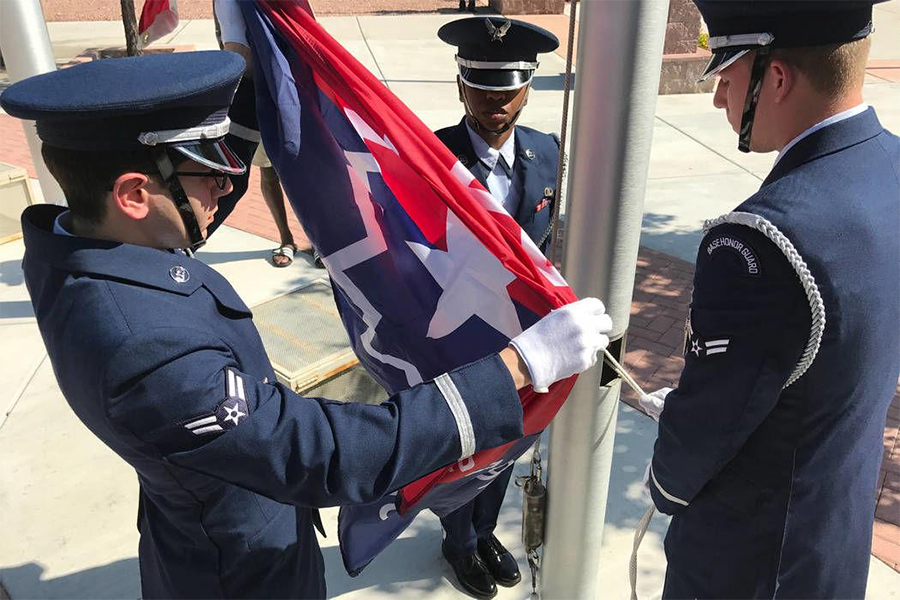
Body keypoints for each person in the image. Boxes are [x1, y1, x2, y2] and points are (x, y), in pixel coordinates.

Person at [0, 51, 615, 599]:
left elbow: (181, 208)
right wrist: (517, 368)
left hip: (220, 520)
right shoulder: (145, 350)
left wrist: (261, 58)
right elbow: (325, 455)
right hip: (243, 573)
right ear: (134, 195)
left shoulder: (85, 244)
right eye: (206, 172)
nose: (225, 184)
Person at [640, 1, 899, 598]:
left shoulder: (758, 240)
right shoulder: (892, 166)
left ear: (776, 78)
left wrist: (664, 479)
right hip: (832, 541)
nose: (718, 99)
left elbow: (702, 434)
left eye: (727, 76)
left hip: (750, 566)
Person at [434, 17, 560, 599]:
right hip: (455, 328)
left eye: (508, 88)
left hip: (521, 334)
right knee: (461, 444)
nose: (496, 102)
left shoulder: (547, 151)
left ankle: (484, 531)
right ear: (461, 85)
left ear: (527, 88)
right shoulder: (433, 154)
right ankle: (458, 541)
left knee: (508, 437)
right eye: (481, 87)